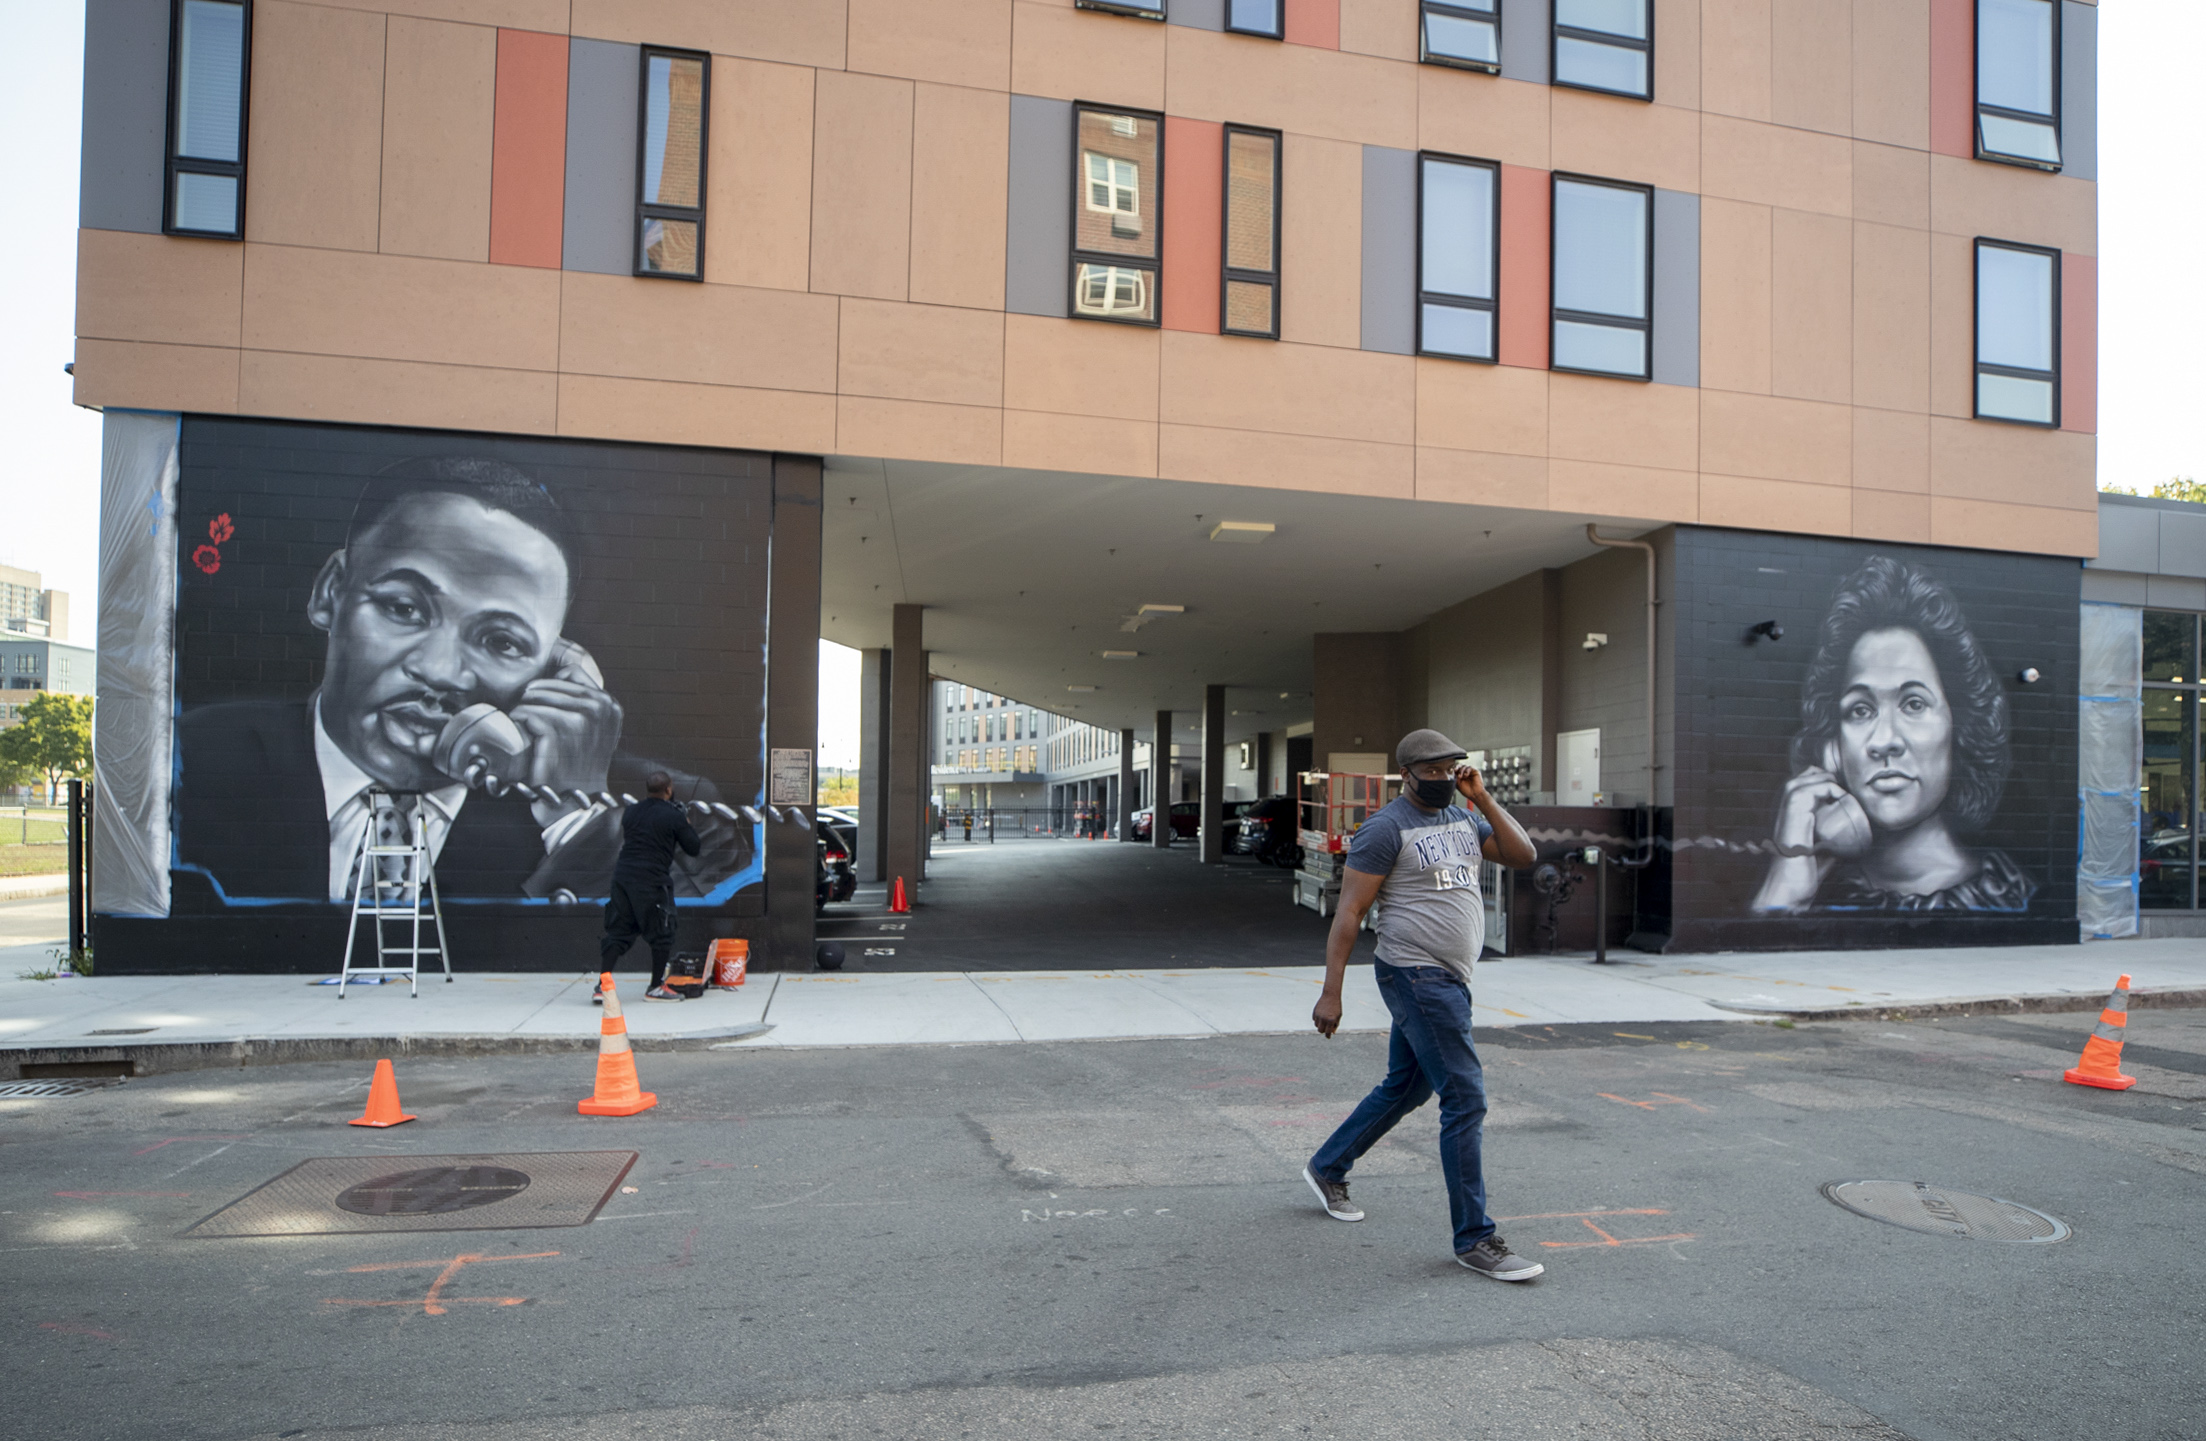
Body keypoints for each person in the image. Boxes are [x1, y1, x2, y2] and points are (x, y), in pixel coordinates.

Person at [175, 455, 750, 904]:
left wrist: (575, 817)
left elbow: (641, 945)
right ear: (331, 592)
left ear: (555, 671)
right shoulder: (189, 763)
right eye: (404, 608)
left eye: (502, 642)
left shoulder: (685, 813)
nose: (439, 671)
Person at [1304, 728, 1541, 1281]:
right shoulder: (1385, 830)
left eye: (1450, 769)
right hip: (1416, 976)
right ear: (1406, 774)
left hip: (1450, 979)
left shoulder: (1464, 819)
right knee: (1465, 1097)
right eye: (1431, 771)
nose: (1442, 778)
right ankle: (1475, 1239)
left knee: (1409, 1085)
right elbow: (1349, 914)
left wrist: (1481, 796)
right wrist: (1331, 991)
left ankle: (1327, 1165)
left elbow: (1523, 855)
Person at [1751, 555, 2034, 913]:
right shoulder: (1810, 892)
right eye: (1860, 710)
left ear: (1960, 725)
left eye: (1914, 704)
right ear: (1832, 750)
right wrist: (1781, 895)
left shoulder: (2014, 895)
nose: (1884, 742)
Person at [599, 770, 701, 1001]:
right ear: (669, 789)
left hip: (622, 878)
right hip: (651, 880)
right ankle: (655, 987)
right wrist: (684, 823)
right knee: (663, 933)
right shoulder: (673, 815)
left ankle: (602, 987)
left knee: (618, 932)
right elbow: (693, 848)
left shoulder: (631, 812)